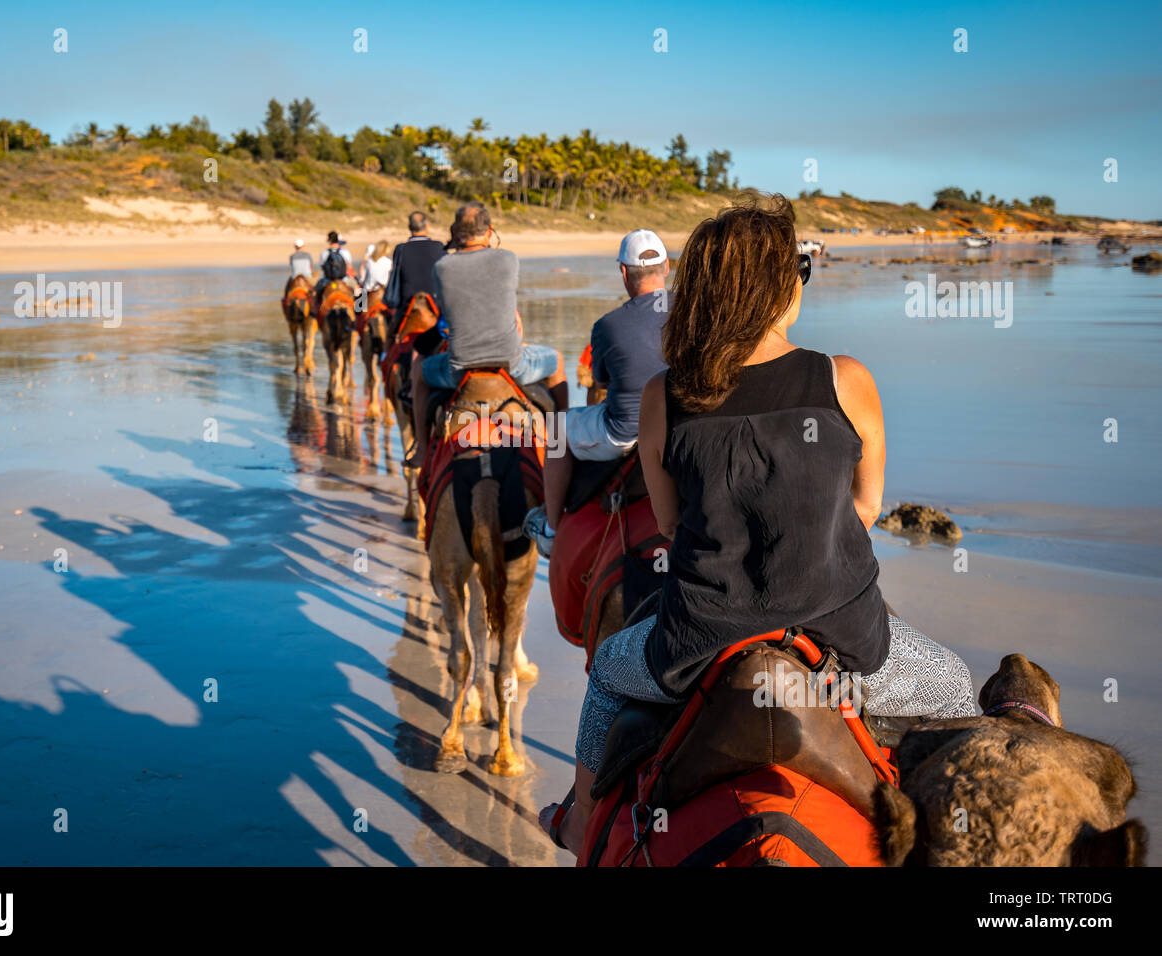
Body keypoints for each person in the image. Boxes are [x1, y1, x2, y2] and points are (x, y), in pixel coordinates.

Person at [539, 195, 975, 855]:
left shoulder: (665, 395)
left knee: (606, 671)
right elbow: (863, 508)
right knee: (954, 686)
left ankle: (578, 824)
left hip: (698, 644)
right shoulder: (845, 379)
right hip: (846, 645)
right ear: (782, 290)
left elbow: (668, 518)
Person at [522, 229, 670, 555]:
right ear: (667, 267)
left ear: (622, 272)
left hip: (624, 435)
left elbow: (601, 383)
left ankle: (550, 528)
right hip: (681, 427)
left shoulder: (608, 325)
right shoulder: (695, 310)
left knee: (558, 429)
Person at [407, 203, 567, 463]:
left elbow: (449, 315)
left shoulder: (442, 267)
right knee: (557, 361)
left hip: (459, 369)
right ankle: (561, 444)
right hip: (511, 365)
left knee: (418, 371)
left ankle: (423, 449)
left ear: (456, 232)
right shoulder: (508, 259)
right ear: (490, 231)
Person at [383, 211, 446, 333]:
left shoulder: (400, 249)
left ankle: (359, 316)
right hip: (435, 303)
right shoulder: (439, 247)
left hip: (407, 305)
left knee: (390, 337)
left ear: (409, 228)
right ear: (427, 226)